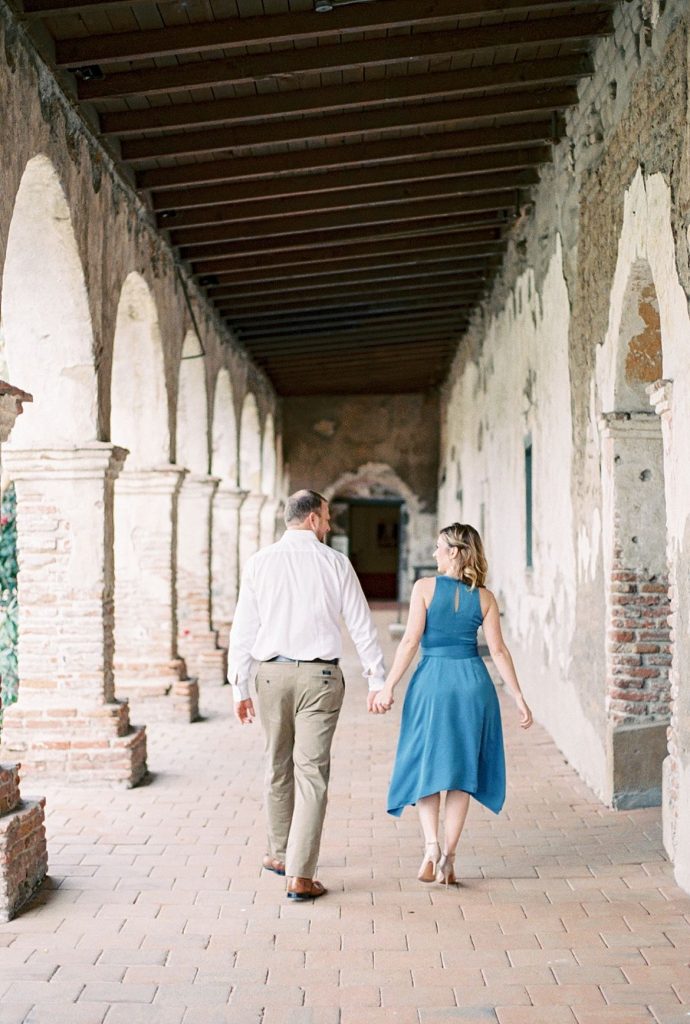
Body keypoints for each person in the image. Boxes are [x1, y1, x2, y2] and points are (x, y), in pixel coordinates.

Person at [228, 489, 386, 901]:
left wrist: (239, 684)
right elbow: (361, 624)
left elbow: (243, 628)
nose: (330, 525)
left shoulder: (260, 563)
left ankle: (280, 854)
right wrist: (376, 678)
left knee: (276, 765)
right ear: (313, 518)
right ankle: (300, 875)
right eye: (328, 518)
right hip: (320, 678)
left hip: (271, 676)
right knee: (311, 773)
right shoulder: (335, 562)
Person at [371, 522, 532, 885]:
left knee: (428, 766)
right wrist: (519, 696)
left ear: (455, 552)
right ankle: (449, 856)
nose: (434, 554)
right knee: (461, 775)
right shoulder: (487, 597)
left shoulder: (424, 589)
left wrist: (388, 686)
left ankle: (430, 846)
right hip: (473, 684)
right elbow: (499, 651)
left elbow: (411, 641)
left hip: (432, 683)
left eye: (439, 547)